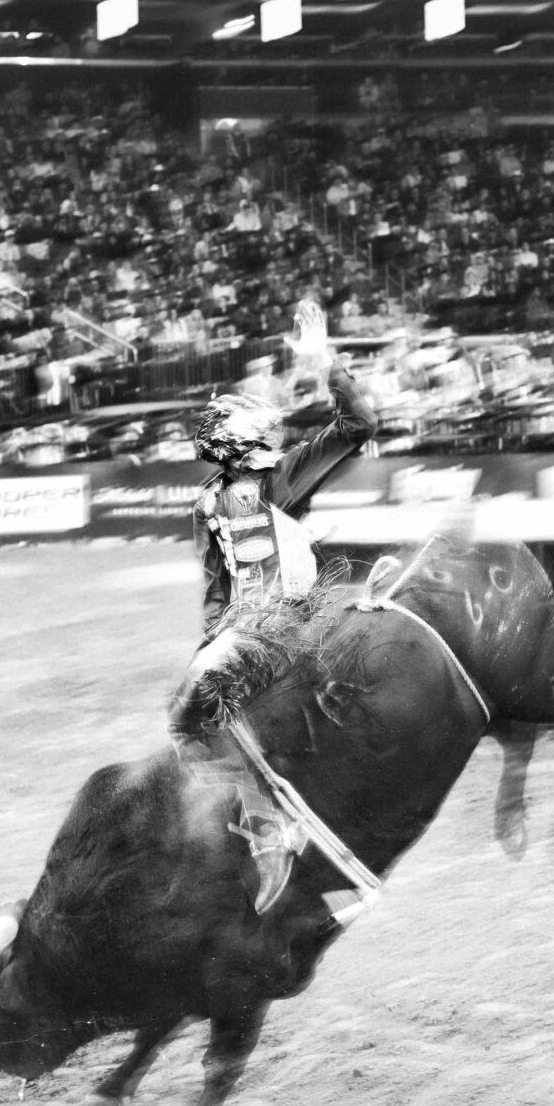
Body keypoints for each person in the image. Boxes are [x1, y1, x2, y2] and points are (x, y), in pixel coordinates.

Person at [170, 308, 376, 913]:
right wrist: (216, 638)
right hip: (252, 630)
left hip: (284, 625)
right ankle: (269, 823)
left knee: (193, 721)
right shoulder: (220, 498)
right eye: (263, 431)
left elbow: (358, 422)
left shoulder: (262, 484)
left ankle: (271, 832)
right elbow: (217, 583)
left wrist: (323, 359)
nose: (275, 436)